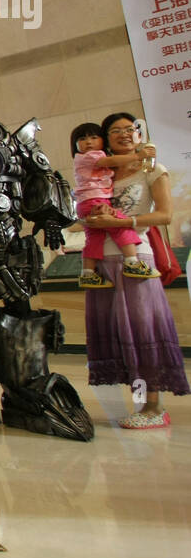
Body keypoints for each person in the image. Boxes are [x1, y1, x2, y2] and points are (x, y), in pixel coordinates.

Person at [82, 113, 189, 428]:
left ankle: (152, 407)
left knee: (143, 332)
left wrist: (121, 222)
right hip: (103, 262)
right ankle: (139, 404)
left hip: (136, 260)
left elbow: (166, 215)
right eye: (115, 131)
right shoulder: (103, 174)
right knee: (119, 334)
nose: (124, 134)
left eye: (130, 129)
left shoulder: (153, 170)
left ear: (139, 135)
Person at [69, 121, 159, 287]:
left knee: (94, 237)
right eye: (82, 138)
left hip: (85, 203)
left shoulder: (81, 159)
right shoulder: (91, 156)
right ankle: (132, 263)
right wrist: (138, 156)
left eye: (94, 137)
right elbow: (111, 161)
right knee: (120, 226)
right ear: (75, 144)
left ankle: (88, 273)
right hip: (94, 200)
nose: (88, 142)